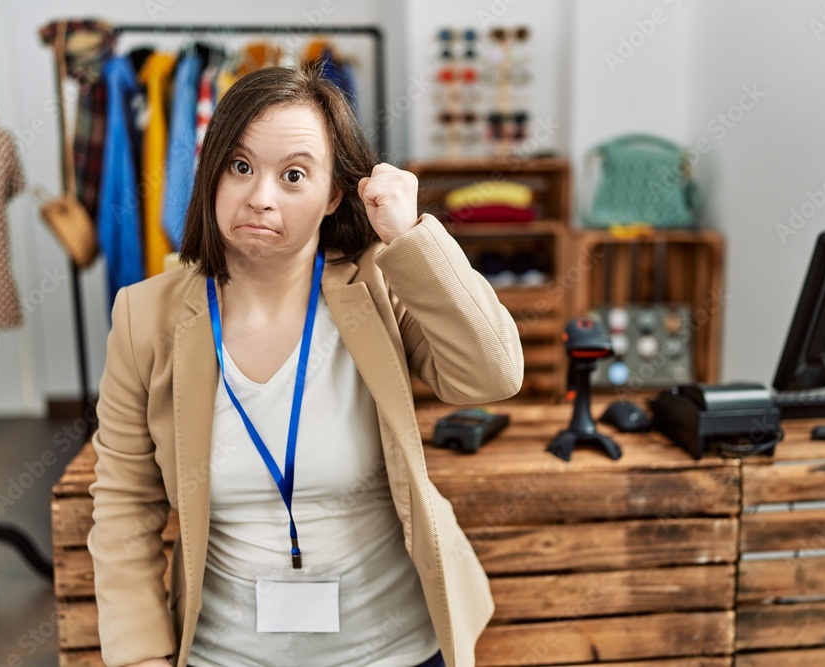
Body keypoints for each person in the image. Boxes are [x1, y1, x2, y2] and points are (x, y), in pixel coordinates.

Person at [87, 63, 524, 667]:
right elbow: (124, 503)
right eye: (240, 166)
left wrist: (411, 236)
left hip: (395, 650)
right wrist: (139, 656)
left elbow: (494, 373)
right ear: (211, 172)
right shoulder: (144, 316)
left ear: (334, 195)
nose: (260, 197)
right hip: (225, 654)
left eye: (294, 175)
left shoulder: (377, 285)